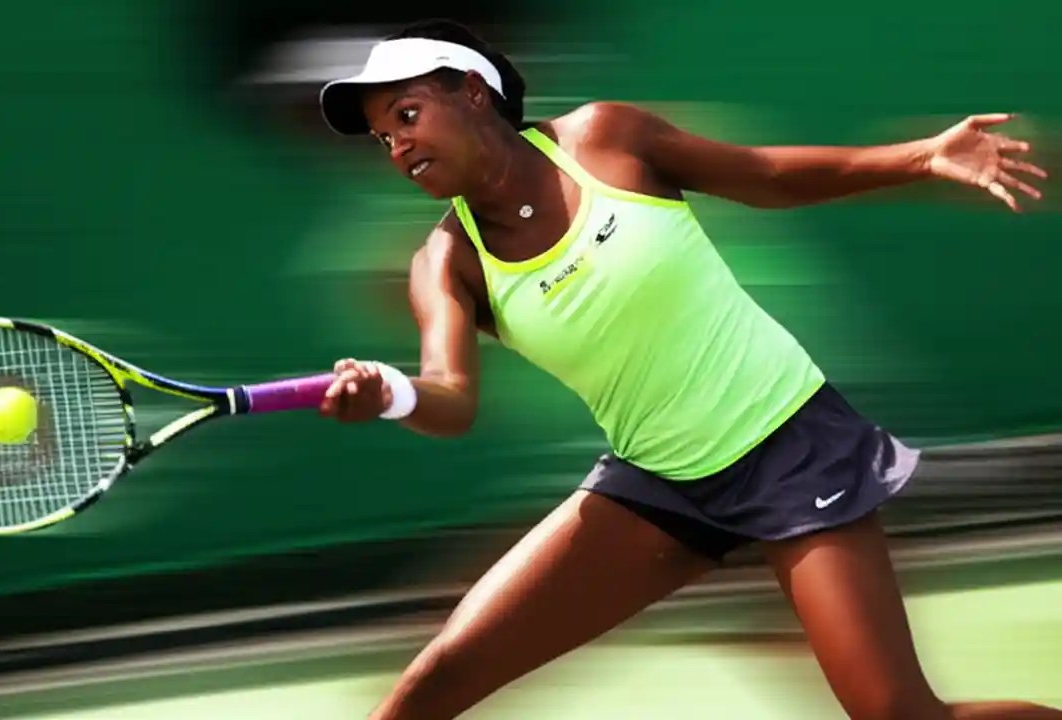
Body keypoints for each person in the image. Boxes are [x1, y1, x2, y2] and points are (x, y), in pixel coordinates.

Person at [313, 18, 1055, 720]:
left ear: (473, 93)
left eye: (406, 116)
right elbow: (451, 396)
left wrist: (922, 156)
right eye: (382, 138)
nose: (398, 147)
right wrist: (392, 393)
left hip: (789, 447)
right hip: (657, 487)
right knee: (431, 683)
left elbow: (765, 176)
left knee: (896, 714)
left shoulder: (604, 138)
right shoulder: (444, 261)